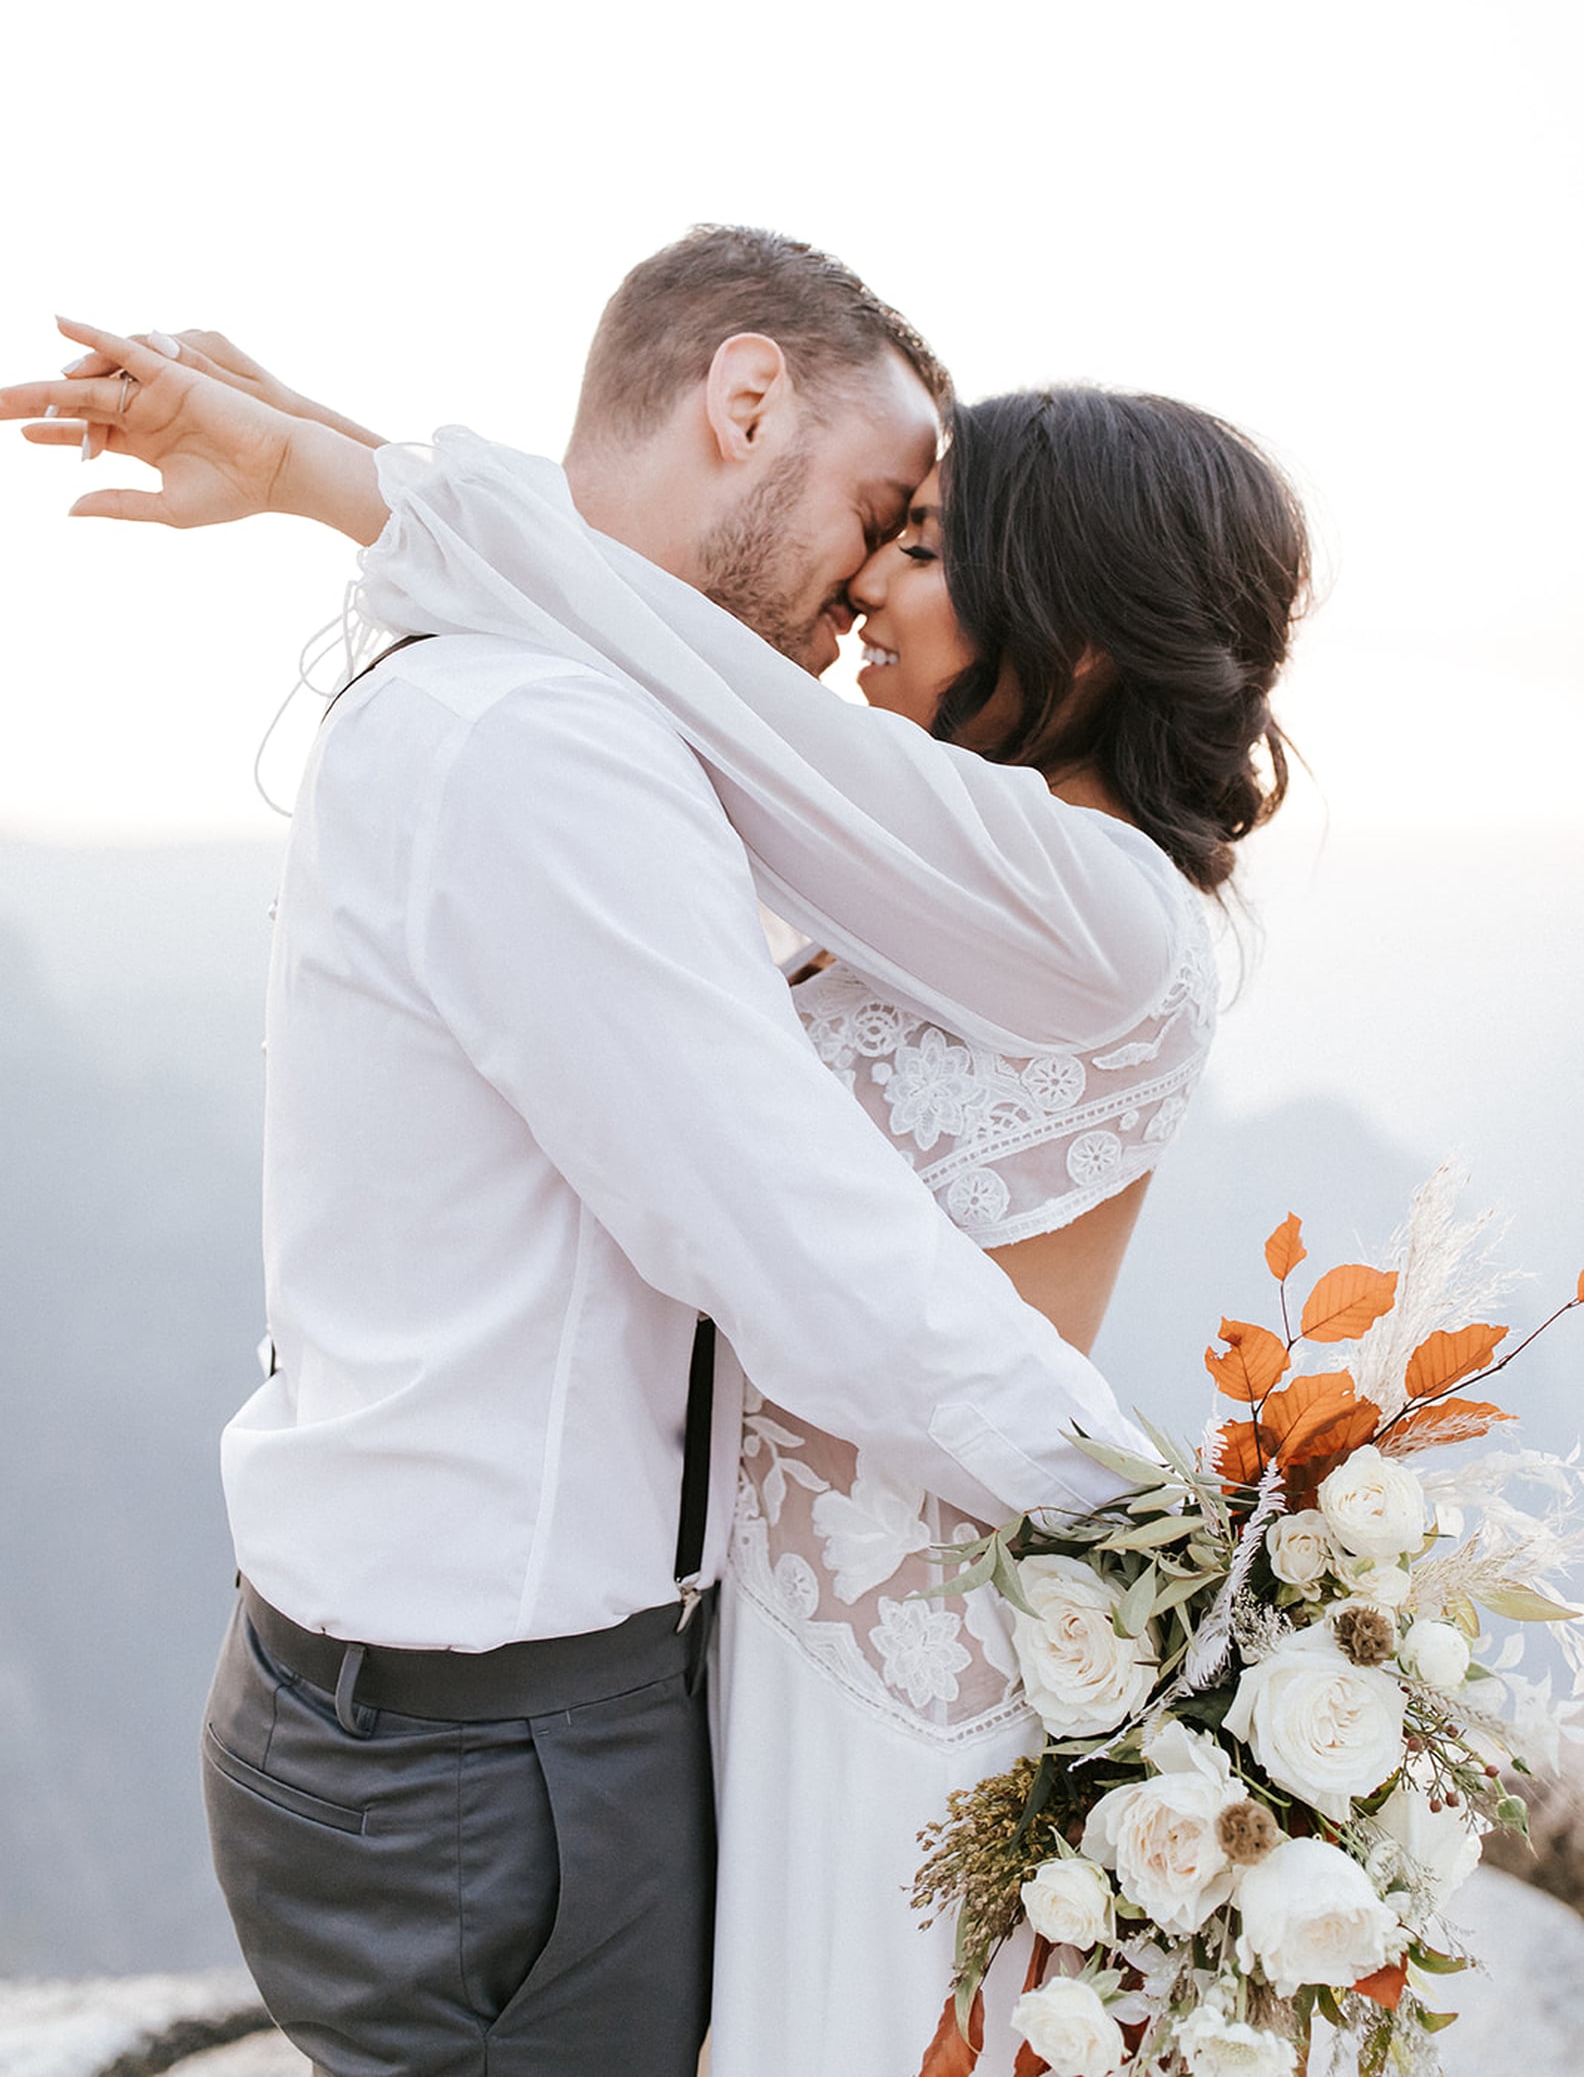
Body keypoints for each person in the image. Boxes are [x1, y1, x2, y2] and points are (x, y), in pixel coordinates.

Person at [0, 230, 1200, 2077]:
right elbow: (812, 1264)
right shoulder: (550, 751)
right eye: (886, 510)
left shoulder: (559, 707)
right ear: (742, 403)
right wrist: (1169, 1538)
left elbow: (635, 621)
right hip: (502, 1767)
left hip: (509, 1713)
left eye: (925, 542)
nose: (870, 588)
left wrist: (316, 454)